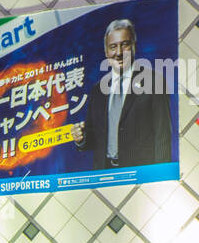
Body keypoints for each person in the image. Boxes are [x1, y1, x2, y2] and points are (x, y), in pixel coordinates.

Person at [72, 16, 172, 170]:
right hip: (104, 174)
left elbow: (162, 137)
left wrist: (161, 177)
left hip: (139, 175)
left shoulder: (154, 82)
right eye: (112, 47)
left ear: (134, 47)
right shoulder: (97, 90)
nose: (118, 53)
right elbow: (96, 139)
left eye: (124, 45)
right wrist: (81, 139)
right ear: (106, 52)